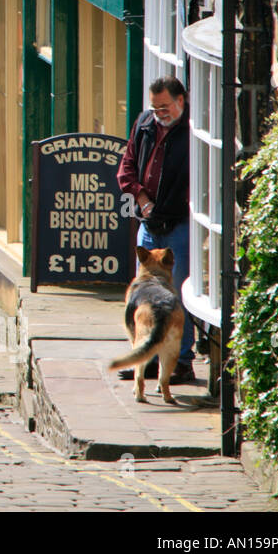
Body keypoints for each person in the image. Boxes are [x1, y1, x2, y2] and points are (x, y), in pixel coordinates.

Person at [115, 76, 195, 384]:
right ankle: (145, 358)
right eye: (155, 107)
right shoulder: (144, 123)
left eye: (164, 107)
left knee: (177, 295)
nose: (159, 113)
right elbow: (127, 166)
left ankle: (181, 361)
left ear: (180, 101)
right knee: (145, 294)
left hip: (178, 225)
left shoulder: (191, 129)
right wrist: (141, 197)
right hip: (148, 225)